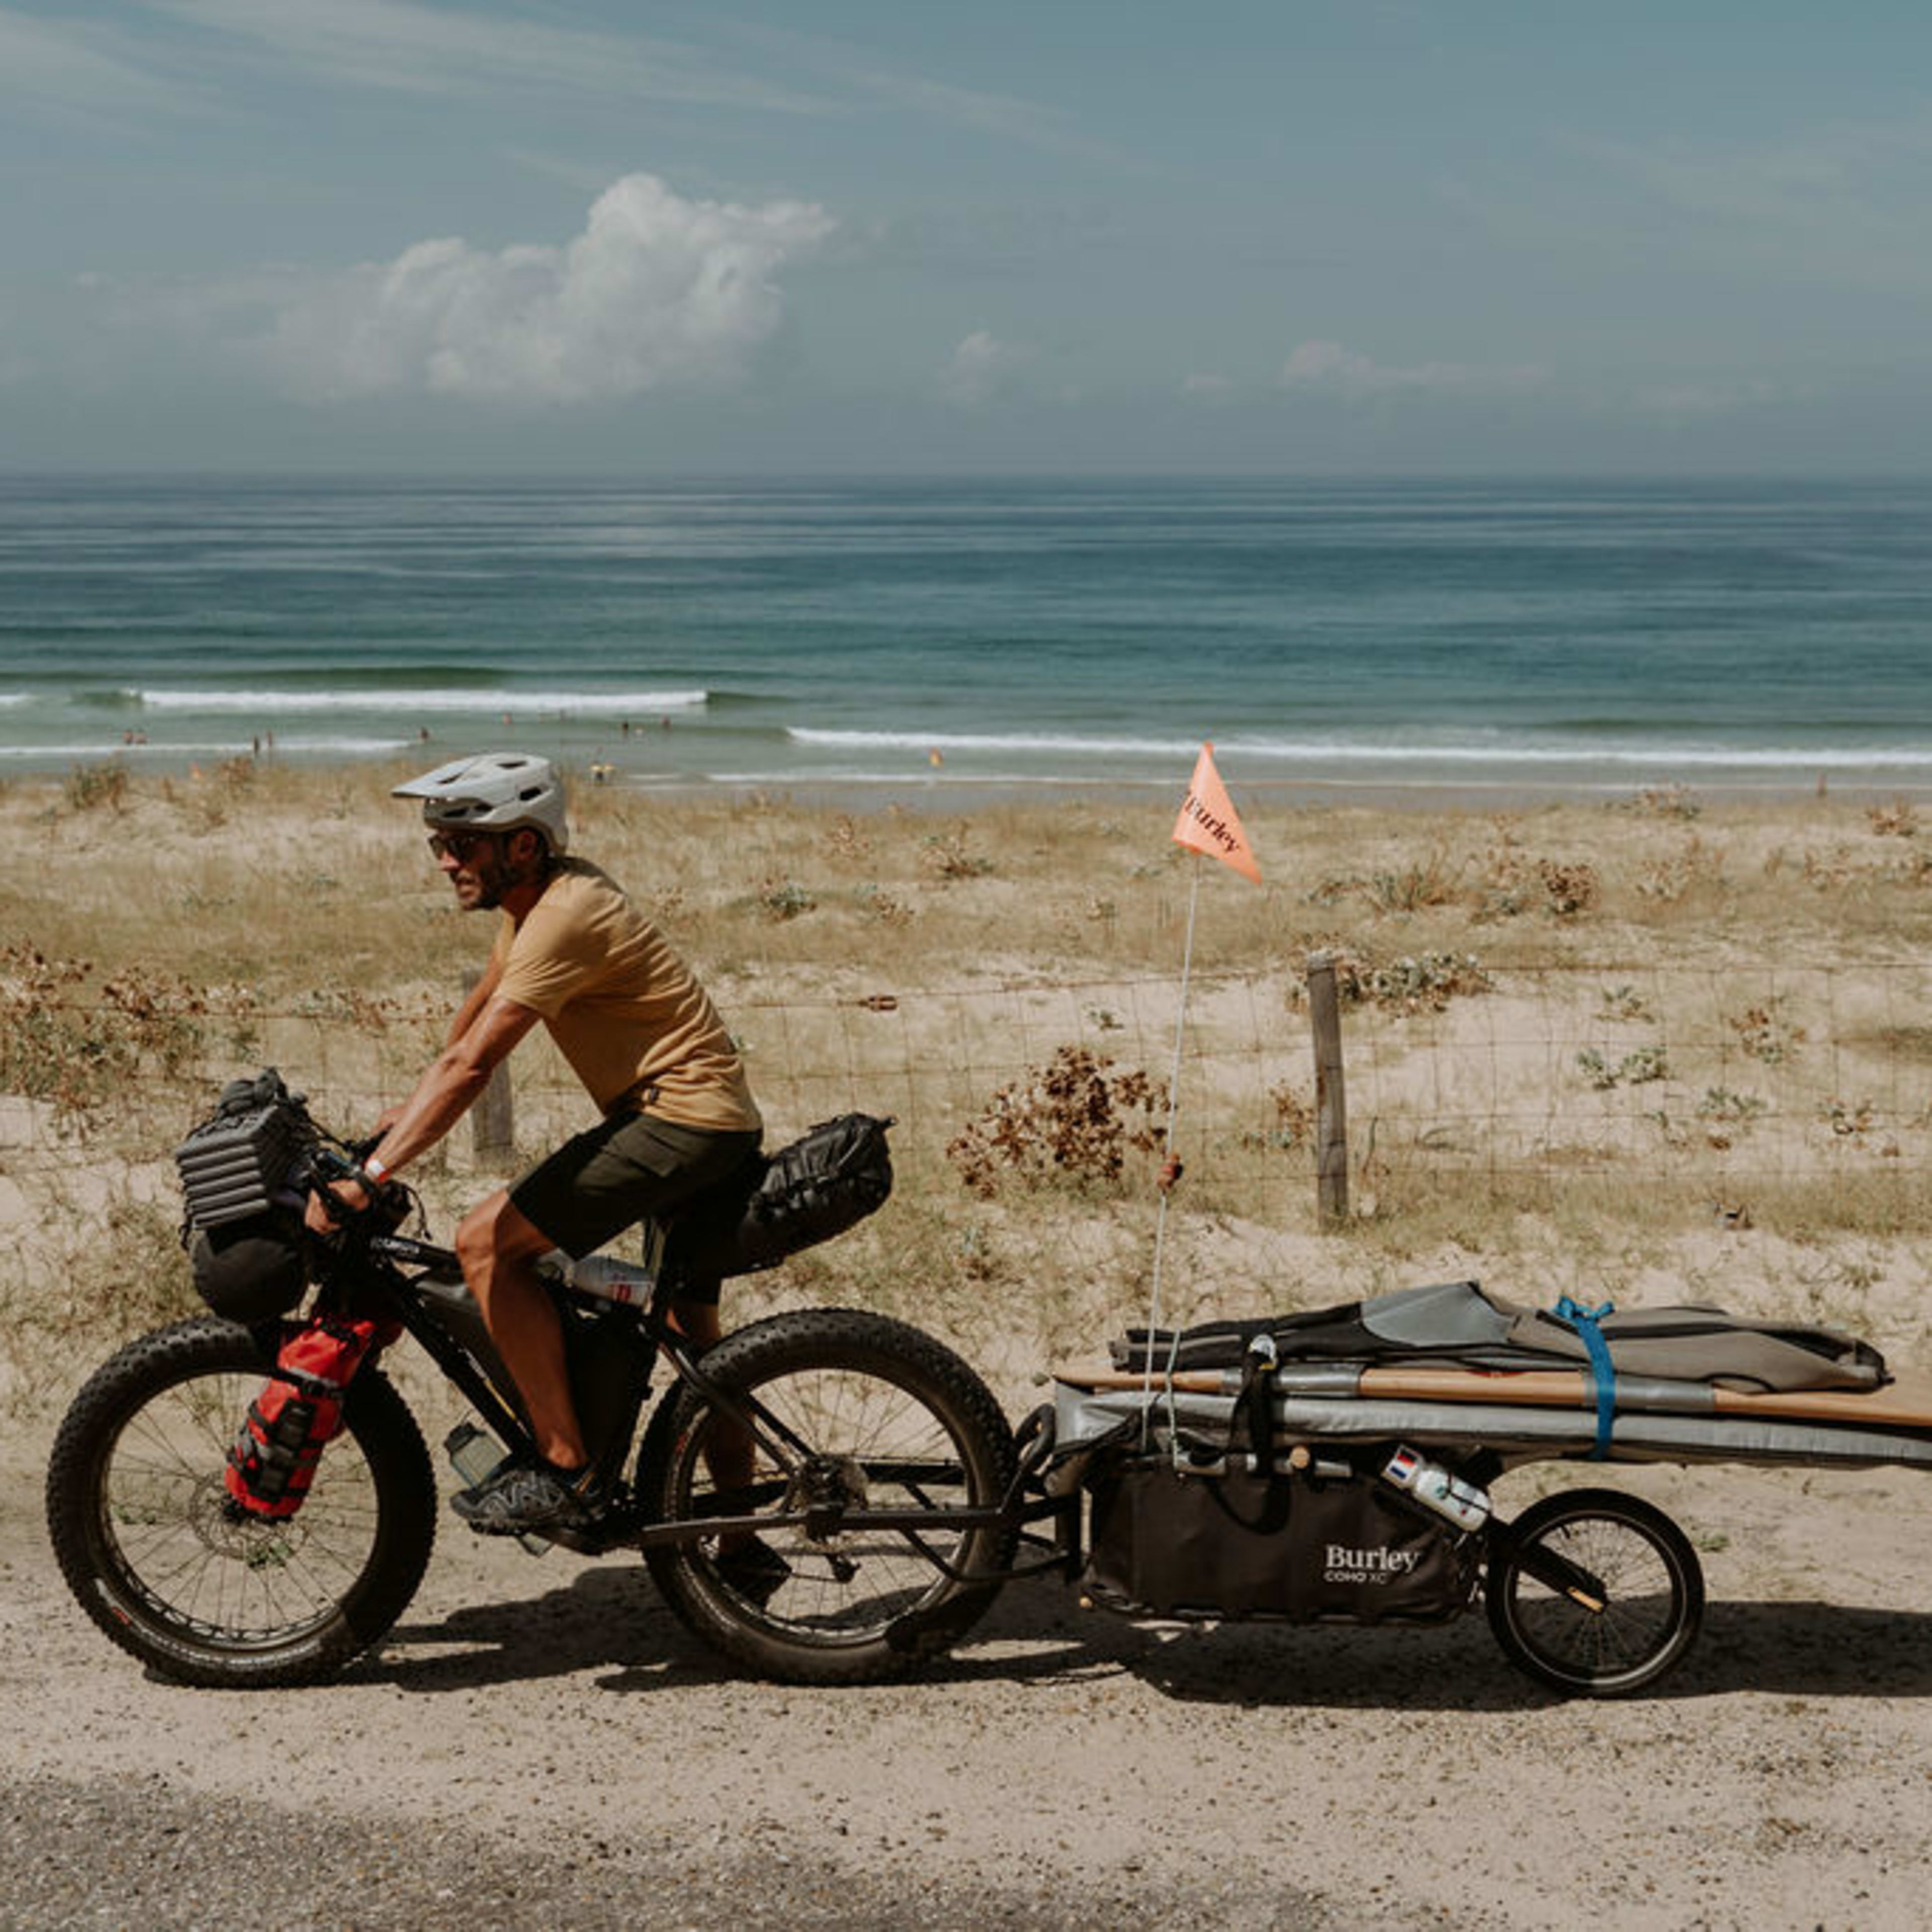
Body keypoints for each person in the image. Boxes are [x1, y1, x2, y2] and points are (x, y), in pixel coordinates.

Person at [308, 751, 764, 1538]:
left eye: (461, 844)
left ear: (523, 843)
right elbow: (468, 1032)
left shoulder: (563, 917)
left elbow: (476, 1066)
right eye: (438, 844)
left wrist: (371, 1176)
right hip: (708, 1122)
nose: (445, 861)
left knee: (486, 1243)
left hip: (680, 1124)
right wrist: (404, 1114)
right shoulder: (538, 904)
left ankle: (564, 1468)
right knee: (703, 1353)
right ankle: (741, 1544)